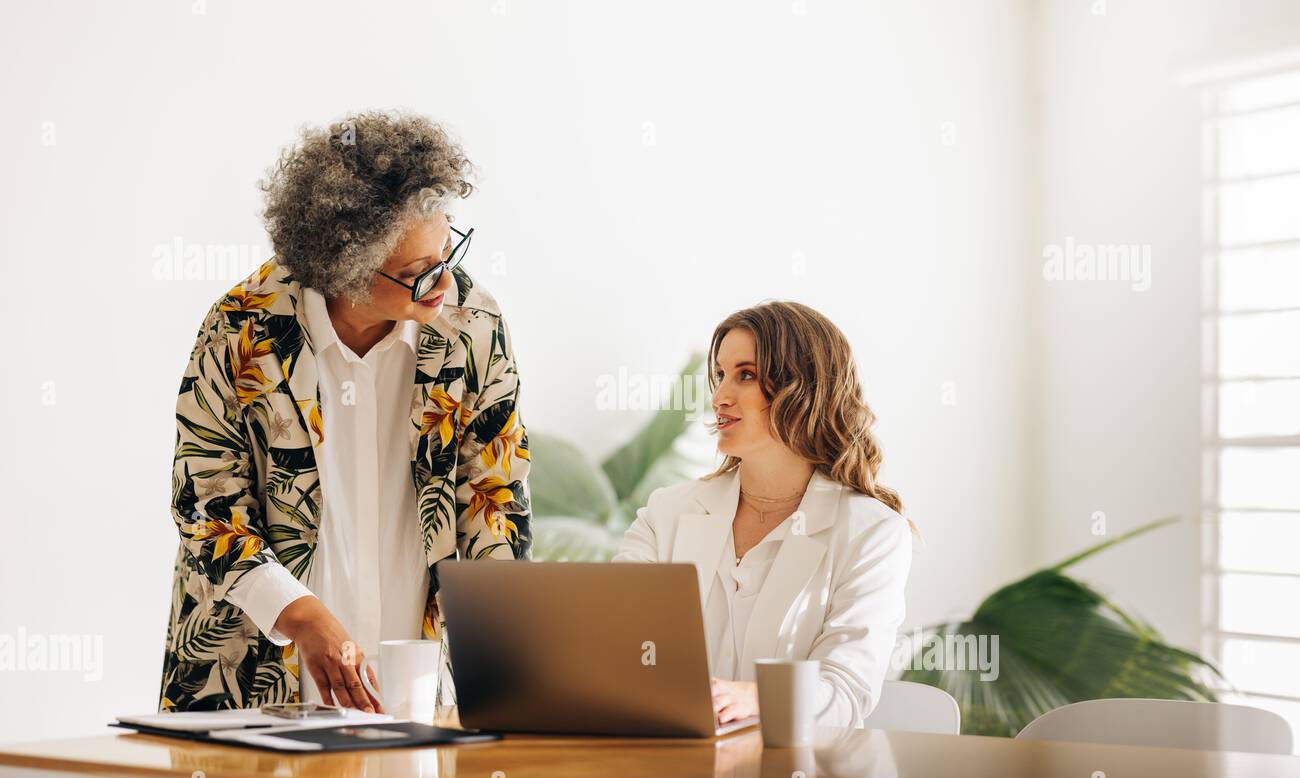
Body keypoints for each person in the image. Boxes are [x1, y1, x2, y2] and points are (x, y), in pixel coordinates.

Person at [159, 111, 532, 713]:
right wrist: (301, 616)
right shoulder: (242, 326)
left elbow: (496, 498)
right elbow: (205, 503)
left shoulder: (474, 328)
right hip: (253, 673)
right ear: (345, 267)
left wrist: (506, 664)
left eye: (447, 251)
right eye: (417, 274)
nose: (444, 282)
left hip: (412, 674)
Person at [613, 302, 912, 728]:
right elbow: (615, 648)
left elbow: (847, 691)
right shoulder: (668, 513)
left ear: (804, 389)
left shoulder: (872, 533)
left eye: (745, 375)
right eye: (720, 375)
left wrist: (756, 699)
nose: (719, 397)